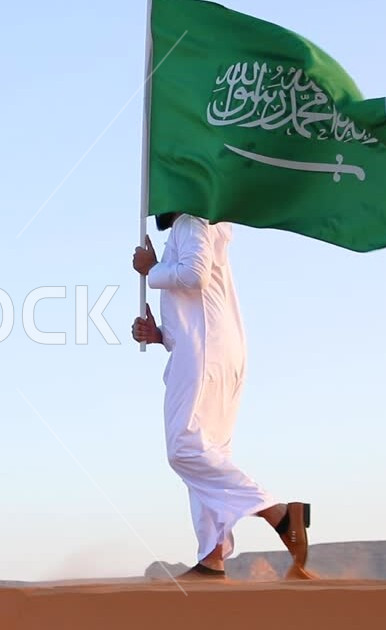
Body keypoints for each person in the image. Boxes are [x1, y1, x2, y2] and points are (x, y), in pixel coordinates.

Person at [131, 212, 315, 581]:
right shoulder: (200, 226)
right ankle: (212, 557)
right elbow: (200, 305)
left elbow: (194, 274)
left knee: (184, 448)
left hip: (204, 355)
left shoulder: (190, 222)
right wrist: (160, 334)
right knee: (207, 454)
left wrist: (151, 271)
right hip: (214, 351)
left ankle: (280, 516)